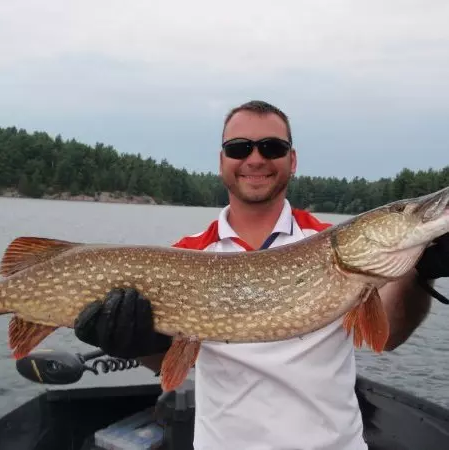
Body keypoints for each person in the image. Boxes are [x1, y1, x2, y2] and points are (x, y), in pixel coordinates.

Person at [74, 101, 449, 450]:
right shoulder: (185, 255)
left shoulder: (329, 245)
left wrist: (421, 272)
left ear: (292, 159)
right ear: (222, 161)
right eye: (240, 148)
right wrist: (136, 344)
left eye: (271, 147)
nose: (255, 159)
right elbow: (174, 363)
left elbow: (390, 335)